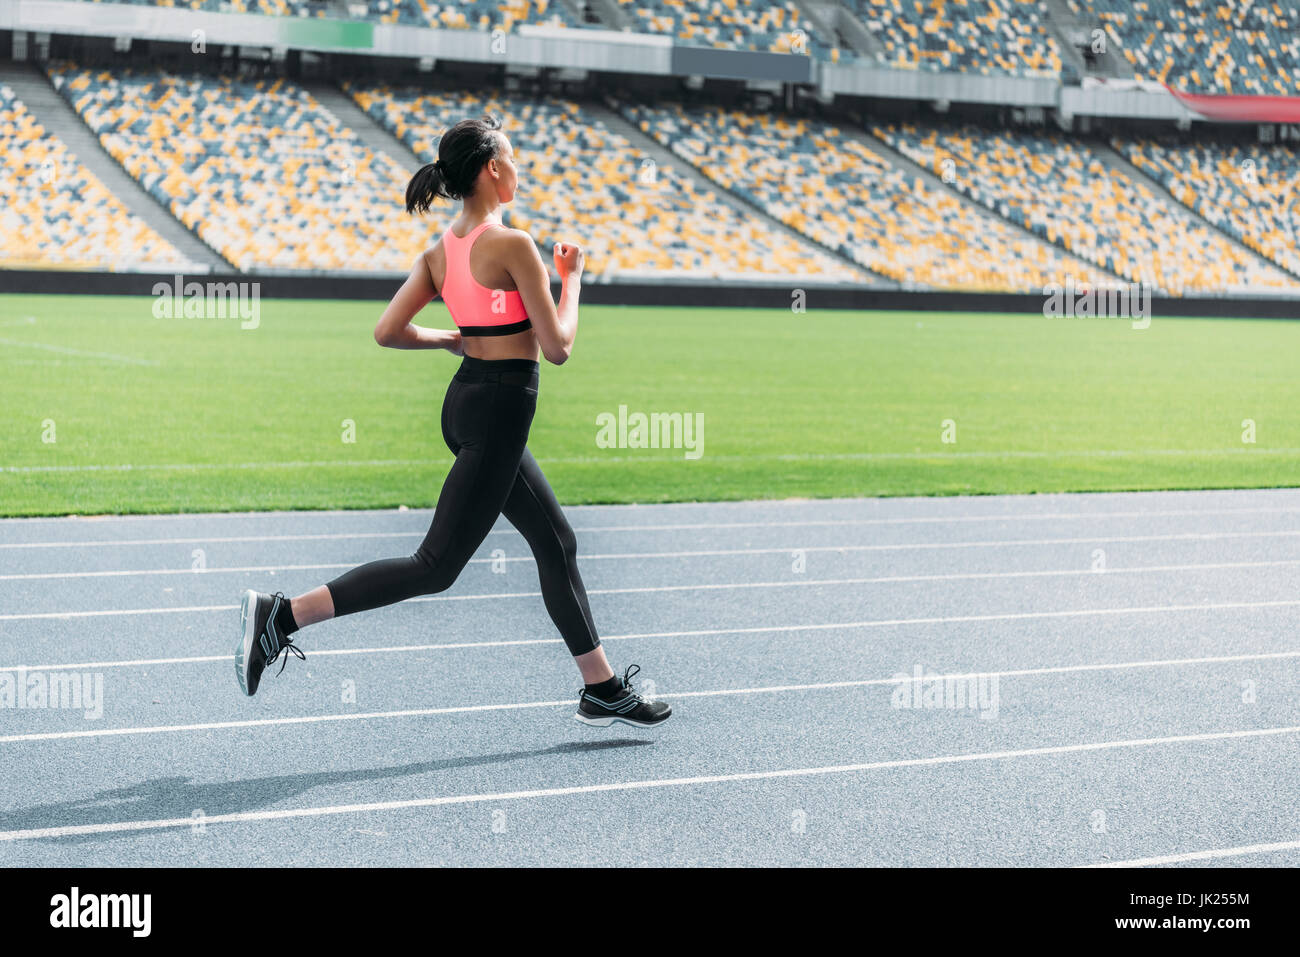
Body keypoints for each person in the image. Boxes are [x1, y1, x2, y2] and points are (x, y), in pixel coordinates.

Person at [234, 115, 671, 730]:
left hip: (468, 404)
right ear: (492, 168)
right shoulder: (514, 245)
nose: (518, 169)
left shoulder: (441, 252)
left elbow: (388, 331)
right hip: (499, 411)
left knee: (556, 543)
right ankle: (281, 616)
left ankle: (599, 687)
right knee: (434, 567)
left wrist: (450, 340)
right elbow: (558, 346)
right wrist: (572, 281)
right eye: (513, 158)